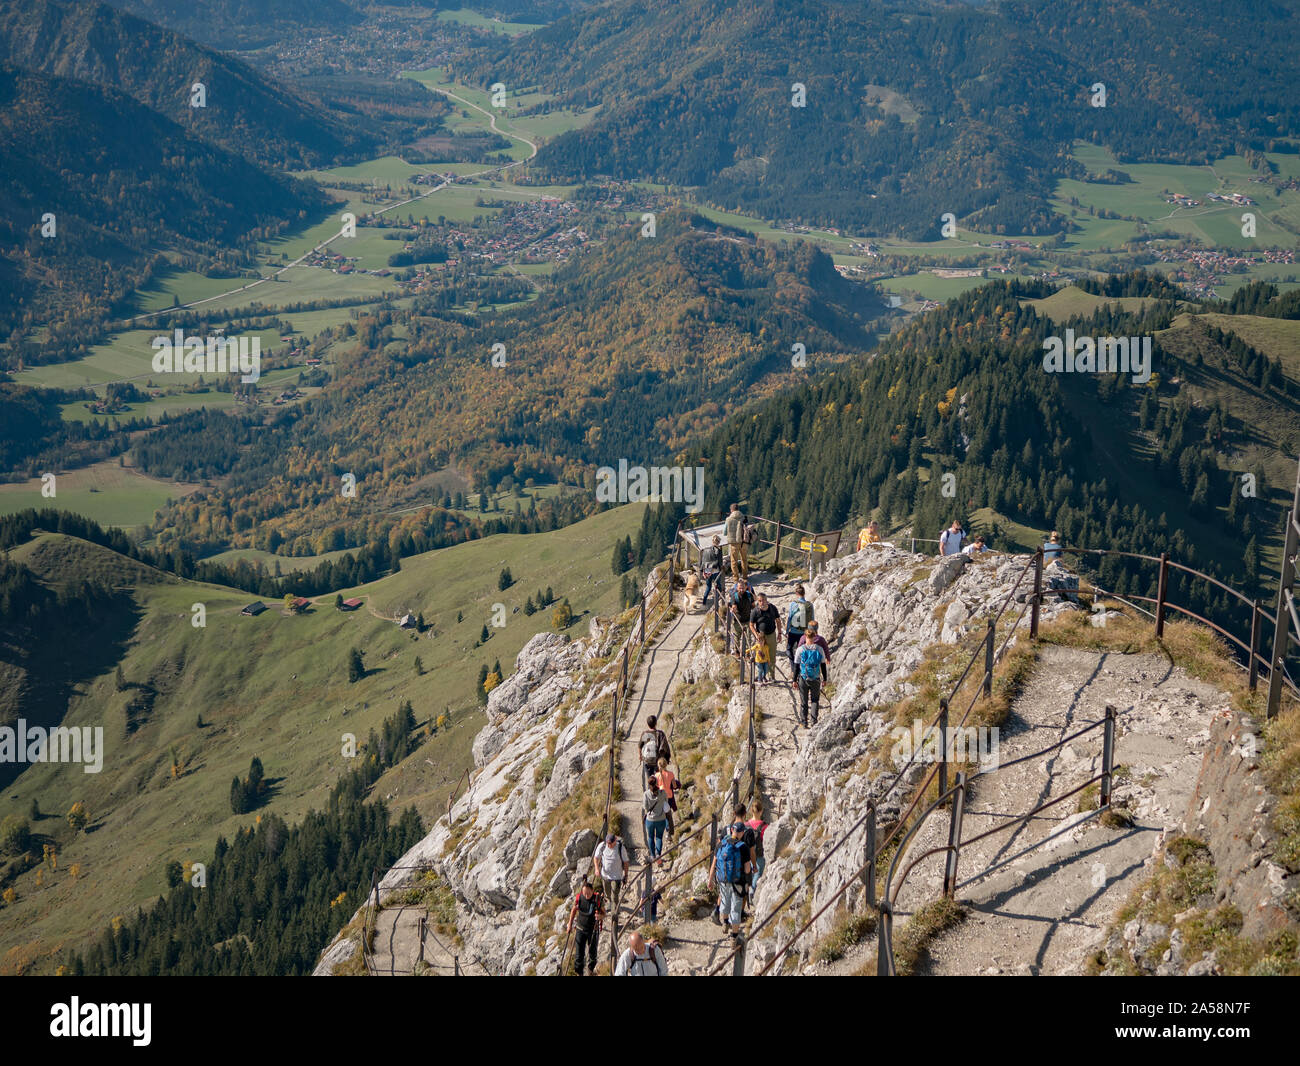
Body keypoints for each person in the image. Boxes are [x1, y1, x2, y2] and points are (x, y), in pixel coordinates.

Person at [709, 820, 751, 937]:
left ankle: (725, 923)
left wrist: (710, 880)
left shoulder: (721, 844)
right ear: (742, 832)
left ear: (732, 830)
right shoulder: (743, 847)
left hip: (723, 880)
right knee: (736, 908)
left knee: (725, 902)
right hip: (738, 882)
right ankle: (734, 936)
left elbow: (714, 864)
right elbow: (747, 869)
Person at [567, 878, 605, 976]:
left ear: (593, 891)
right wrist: (570, 924)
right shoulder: (580, 898)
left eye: (588, 893)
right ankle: (579, 973)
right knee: (579, 954)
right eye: (585, 893)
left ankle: (590, 970)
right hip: (580, 929)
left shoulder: (597, 900)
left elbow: (604, 914)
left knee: (592, 952)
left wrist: (600, 916)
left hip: (593, 930)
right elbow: (573, 910)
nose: (586, 895)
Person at [795, 632, 828, 727]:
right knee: (815, 700)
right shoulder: (819, 649)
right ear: (814, 638)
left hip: (803, 678)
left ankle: (804, 721)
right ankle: (814, 721)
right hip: (816, 679)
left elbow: (797, 666)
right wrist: (825, 679)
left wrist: (794, 680)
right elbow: (823, 665)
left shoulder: (800, 649)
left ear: (805, 637)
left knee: (804, 701)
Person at [592, 832, 630, 911]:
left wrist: (625, 875)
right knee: (608, 893)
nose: (609, 845)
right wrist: (596, 869)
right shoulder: (602, 846)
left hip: (616, 877)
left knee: (614, 895)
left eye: (610, 843)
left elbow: (626, 862)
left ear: (615, 841)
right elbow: (596, 858)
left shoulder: (620, 848)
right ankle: (611, 903)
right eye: (607, 843)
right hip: (605, 876)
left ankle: (614, 914)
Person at [750, 591, 781, 677]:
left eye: (763, 600)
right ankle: (762, 675)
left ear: (766, 600)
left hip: (771, 634)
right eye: (759, 601)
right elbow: (751, 625)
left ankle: (771, 676)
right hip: (760, 636)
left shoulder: (772, 608)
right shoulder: (755, 611)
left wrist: (780, 633)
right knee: (761, 656)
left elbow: (778, 620)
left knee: (772, 655)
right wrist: (756, 635)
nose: (762, 602)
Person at [643, 775, 670, 863]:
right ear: (657, 783)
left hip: (650, 820)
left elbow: (645, 807)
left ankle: (652, 855)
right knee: (659, 837)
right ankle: (658, 854)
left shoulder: (646, 794)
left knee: (650, 837)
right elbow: (666, 803)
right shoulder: (663, 793)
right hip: (661, 819)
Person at [785, 585, 814, 666]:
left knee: (789, 649)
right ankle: (802, 670)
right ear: (804, 593)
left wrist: (787, 631)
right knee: (802, 651)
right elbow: (812, 619)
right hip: (804, 633)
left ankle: (794, 668)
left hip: (793, 632)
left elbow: (790, 618)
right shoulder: (810, 605)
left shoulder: (792, 604)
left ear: (796, 593)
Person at [639, 714, 669, 789]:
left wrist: (640, 756)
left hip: (647, 760)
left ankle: (650, 794)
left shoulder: (645, 734)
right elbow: (664, 747)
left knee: (650, 779)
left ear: (647, 724)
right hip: (658, 761)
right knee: (659, 778)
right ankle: (659, 794)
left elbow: (640, 746)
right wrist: (666, 758)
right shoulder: (660, 734)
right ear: (656, 723)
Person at [745, 800, 768, 892]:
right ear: (761, 811)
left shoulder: (746, 825)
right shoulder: (765, 826)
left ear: (751, 811)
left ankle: (747, 890)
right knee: (757, 873)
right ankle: (752, 891)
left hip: (747, 854)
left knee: (748, 872)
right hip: (759, 853)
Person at [725, 503, 748, 578]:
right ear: (738, 509)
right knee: (744, 559)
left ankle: (736, 578)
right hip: (743, 542)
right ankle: (745, 576)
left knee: (734, 561)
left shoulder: (728, 519)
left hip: (734, 542)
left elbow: (724, 532)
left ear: (731, 510)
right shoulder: (744, 517)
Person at [656, 756, 678, 833]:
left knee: (663, 813)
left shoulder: (656, 775)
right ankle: (669, 830)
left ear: (658, 765)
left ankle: (665, 827)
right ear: (666, 765)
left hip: (661, 797)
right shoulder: (671, 774)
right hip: (669, 796)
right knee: (669, 814)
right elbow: (675, 786)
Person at [700, 534, 723, 605]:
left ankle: (704, 603)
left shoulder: (706, 550)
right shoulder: (718, 551)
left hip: (707, 570)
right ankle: (717, 601)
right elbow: (719, 562)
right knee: (719, 586)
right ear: (718, 542)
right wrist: (721, 568)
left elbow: (703, 562)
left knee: (708, 587)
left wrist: (703, 571)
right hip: (715, 571)